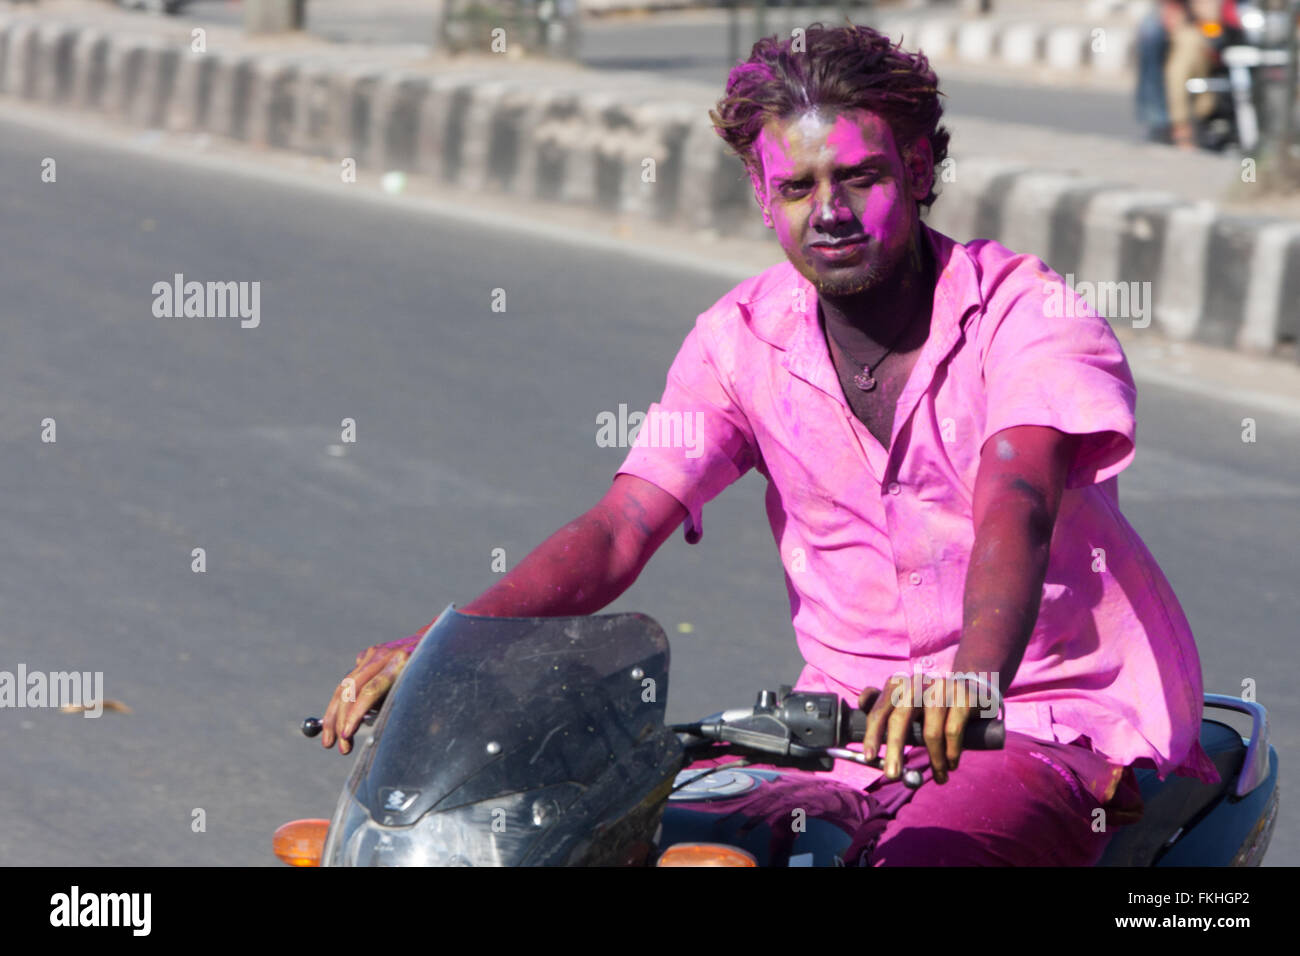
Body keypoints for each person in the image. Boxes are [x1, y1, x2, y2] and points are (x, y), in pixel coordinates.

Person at [320, 23, 1220, 866]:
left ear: (915, 169)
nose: (828, 212)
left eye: (859, 178)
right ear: (763, 199)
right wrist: (451, 644)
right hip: (832, 735)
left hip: (1034, 716)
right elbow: (623, 524)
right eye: (797, 187)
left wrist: (967, 681)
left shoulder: (1026, 316)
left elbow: (1014, 504)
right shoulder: (736, 340)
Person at [1137, 0, 1242, 148]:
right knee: (1156, 38)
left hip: (1224, 29)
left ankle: (1196, 118)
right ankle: (1173, 125)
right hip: (1194, 28)